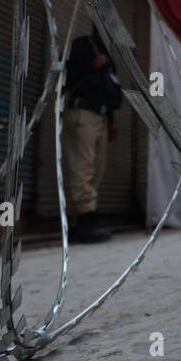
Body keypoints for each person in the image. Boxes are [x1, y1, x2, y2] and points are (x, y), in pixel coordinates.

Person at [61, 28, 122, 243]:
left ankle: (83, 216)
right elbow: (63, 72)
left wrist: (111, 121)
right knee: (83, 166)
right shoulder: (84, 45)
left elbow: (108, 89)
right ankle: (87, 218)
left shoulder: (109, 55)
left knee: (96, 168)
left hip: (101, 116)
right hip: (82, 113)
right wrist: (90, 67)